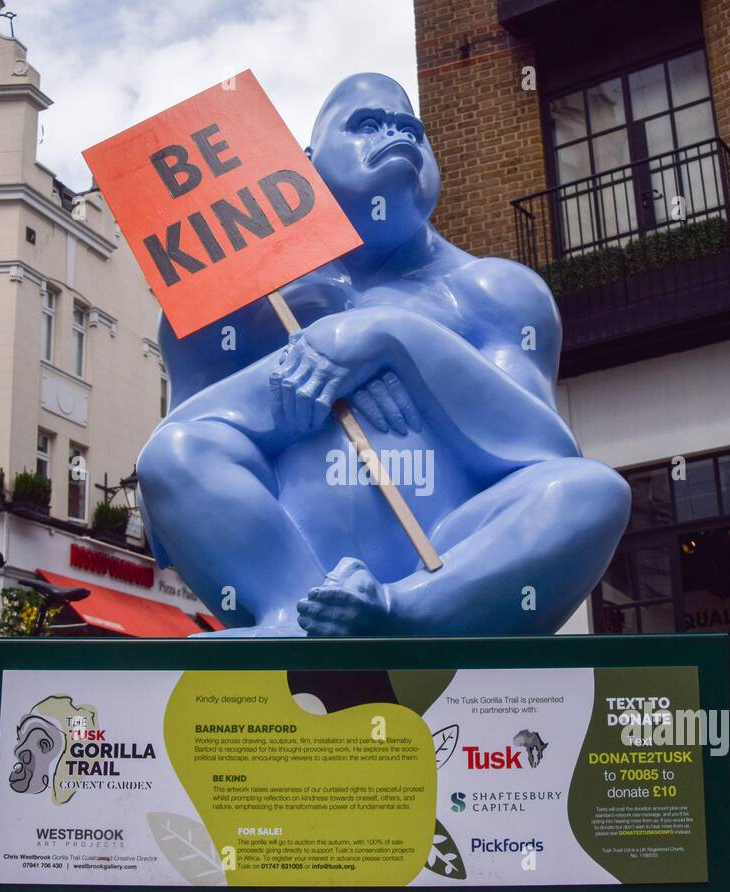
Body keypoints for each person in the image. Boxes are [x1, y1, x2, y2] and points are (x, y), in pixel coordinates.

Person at [139, 73, 629, 636]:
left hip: (453, 556)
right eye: (367, 124)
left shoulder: (495, 291)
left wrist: (390, 337)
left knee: (591, 492)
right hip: (293, 567)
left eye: (410, 128)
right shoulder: (227, 304)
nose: (395, 136)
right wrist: (309, 368)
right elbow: (171, 477)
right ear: (305, 163)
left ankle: (404, 610)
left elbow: (543, 452)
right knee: (174, 451)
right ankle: (296, 612)